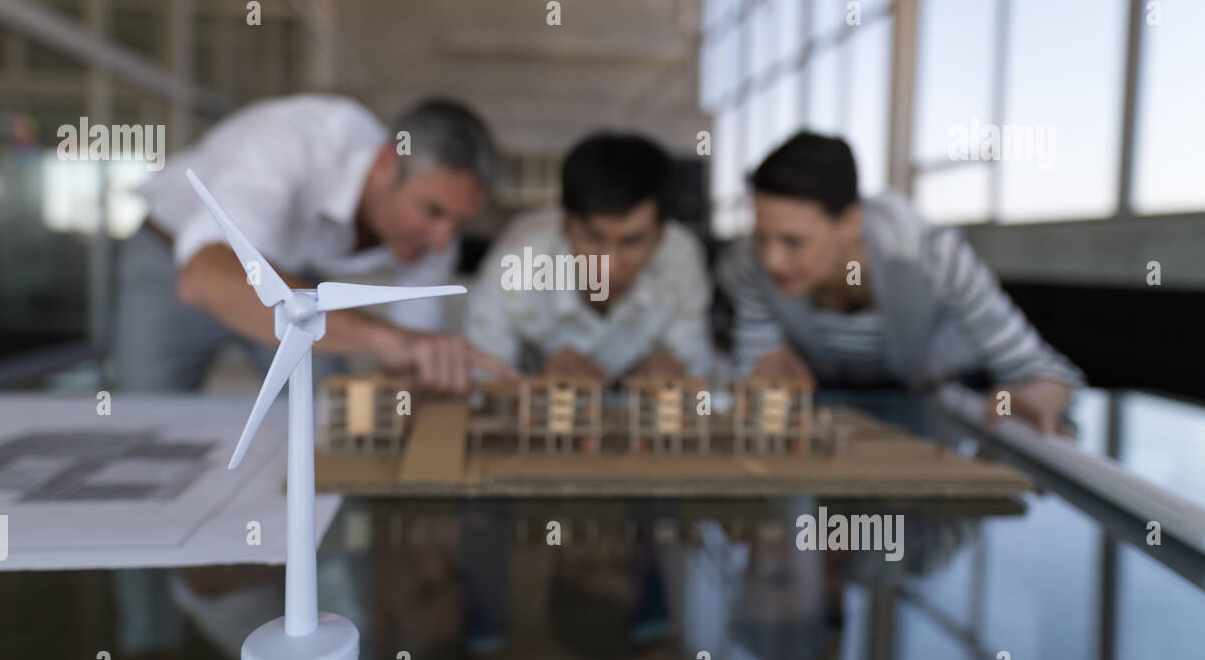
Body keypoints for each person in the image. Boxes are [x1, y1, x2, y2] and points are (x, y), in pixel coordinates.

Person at [115, 94, 515, 393]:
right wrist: (390, 341)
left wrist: (418, 365)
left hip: (290, 275)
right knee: (145, 413)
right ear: (385, 166)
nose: (444, 241)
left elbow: (408, 353)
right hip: (174, 265)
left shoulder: (432, 240)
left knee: (318, 413)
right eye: (432, 211)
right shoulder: (293, 142)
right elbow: (205, 277)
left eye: (458, 224)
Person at [717, 131, 1084, 433]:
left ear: (848, 222)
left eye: (793, 242)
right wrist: (762, 378)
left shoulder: (934, 257)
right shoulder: (751, 269)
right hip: (827, 444)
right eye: (761, 238)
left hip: (939, 434)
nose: (771, 259)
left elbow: (1048, 374)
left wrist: (1031, 401)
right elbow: (758, 379)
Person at [465, 132, 713, 382]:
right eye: (593, 238)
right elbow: (480, 384)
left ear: (662, 235)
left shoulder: (682, 259)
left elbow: (697, 372)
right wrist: (535, 385)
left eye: (631, 242)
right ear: (565, 224)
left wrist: (676, 373)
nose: (608, 268)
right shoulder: (516, 264)